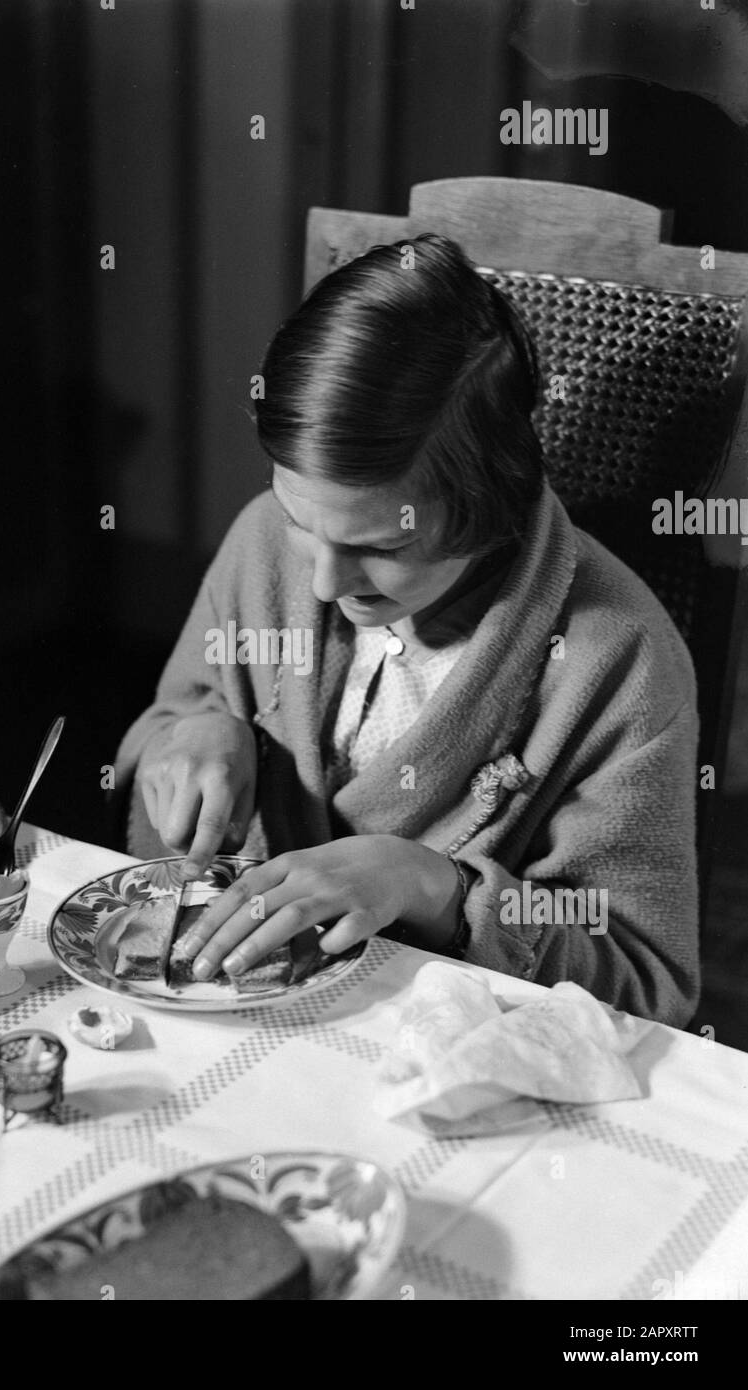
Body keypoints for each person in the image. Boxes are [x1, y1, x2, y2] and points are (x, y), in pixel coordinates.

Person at [112, 232, 700, 1027]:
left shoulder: (616, 659)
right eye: (299, 521)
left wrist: (437, 887)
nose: (323, 582)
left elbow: (645, 986)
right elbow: (161, 741)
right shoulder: (261, 543)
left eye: (382, 547)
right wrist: (197, 735)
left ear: (487, 506)